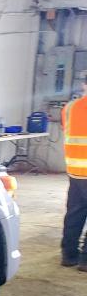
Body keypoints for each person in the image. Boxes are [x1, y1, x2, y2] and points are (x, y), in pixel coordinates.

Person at [61, 79, 87, 271]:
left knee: (74, 213)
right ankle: (85, 261)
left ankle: (69, 256)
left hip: (75, 171)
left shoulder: (69, 108)